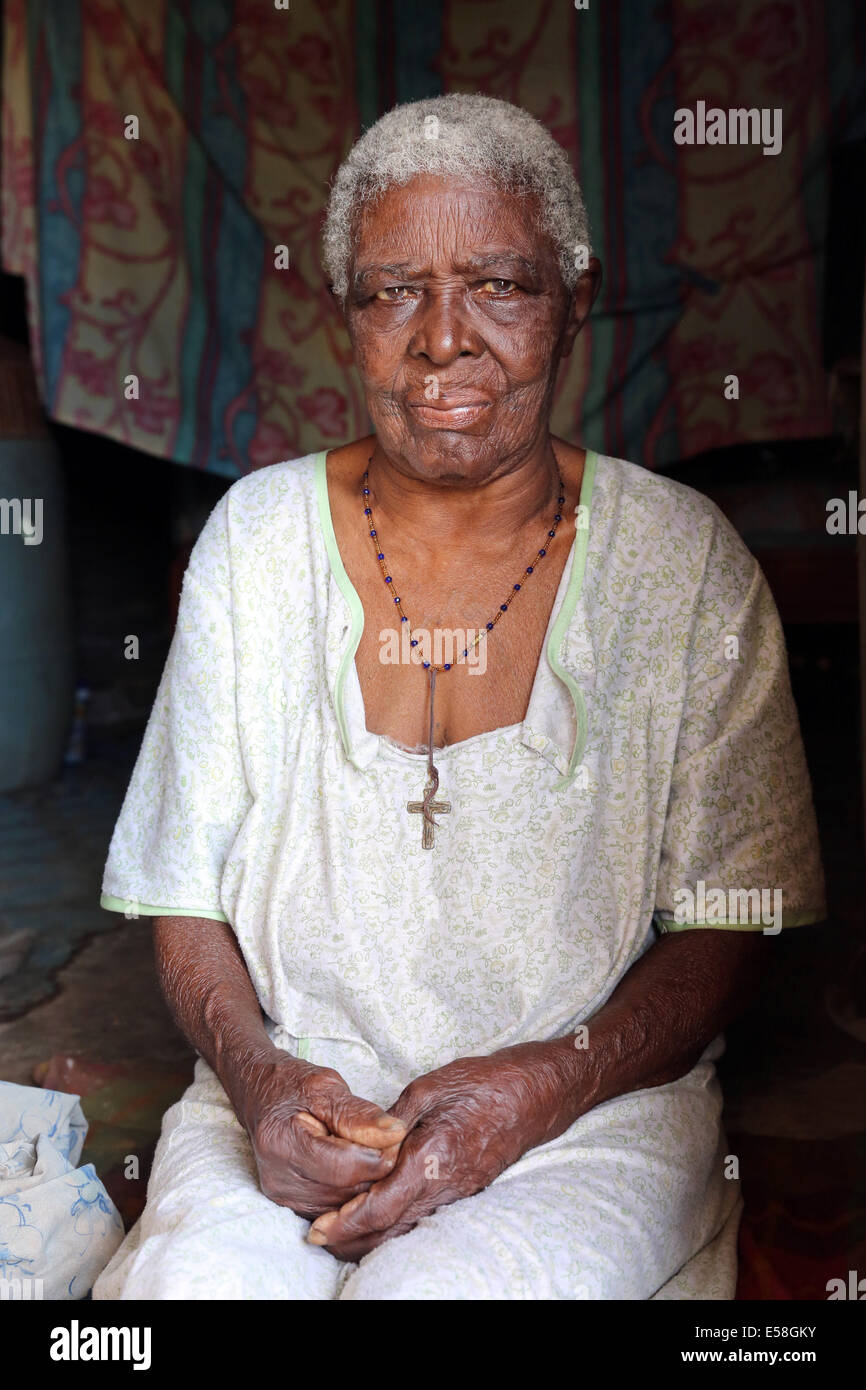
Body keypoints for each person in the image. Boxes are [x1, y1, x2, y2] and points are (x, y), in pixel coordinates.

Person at [93, 93, 824, 1301]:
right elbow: (179, 887)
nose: (442, 341)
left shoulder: (680, 562)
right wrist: (263, 1083)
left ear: (572, 306)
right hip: (294, 1096)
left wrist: (536, 1085)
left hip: (584, 1109)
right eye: (393, 290)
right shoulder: (255, 542)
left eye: (498, 285)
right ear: (347, 319)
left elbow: (729, 920)